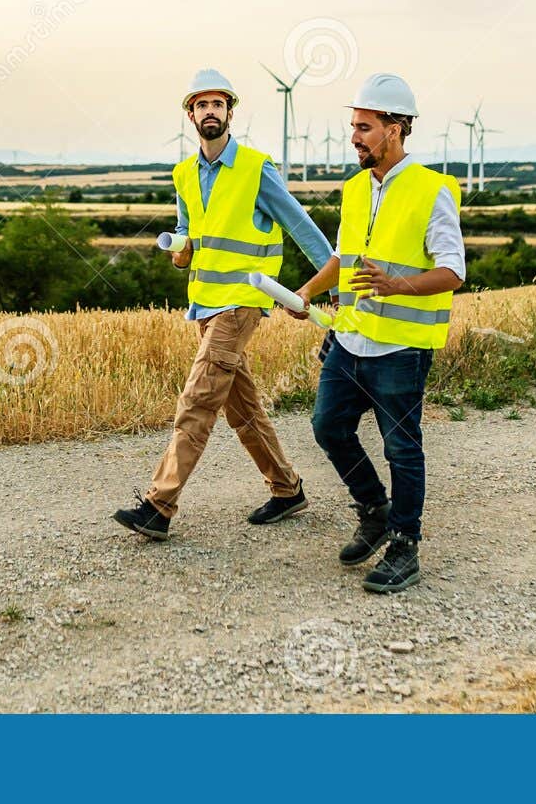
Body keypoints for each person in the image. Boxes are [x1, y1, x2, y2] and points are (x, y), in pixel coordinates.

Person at [113, 68, 334, 538]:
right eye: (201, 105)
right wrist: (180, 252)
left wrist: (334, 281)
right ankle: (286, 489)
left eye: (218, 104)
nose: (209, 112)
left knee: (197, 400)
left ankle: (159, 505)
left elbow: (300, 225)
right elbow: (188, 240)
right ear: (190, 115)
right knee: (242, 407)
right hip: (205, 303)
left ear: (230, 113)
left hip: (243, 301)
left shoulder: (257, 168)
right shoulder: (183, 175)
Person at [291, 73, 464, 593]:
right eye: (352, 127)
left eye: (364, 127)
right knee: (328, 427)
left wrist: (397, 284)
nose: (354, 138)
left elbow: (454, 272)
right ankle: (373, 507)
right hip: (350, 339)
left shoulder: (433, 190)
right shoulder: (354, 189)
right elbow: (344, 258)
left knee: (401, 448)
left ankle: (404, 544)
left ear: (396, 128)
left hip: (400, 350)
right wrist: (304, 293)